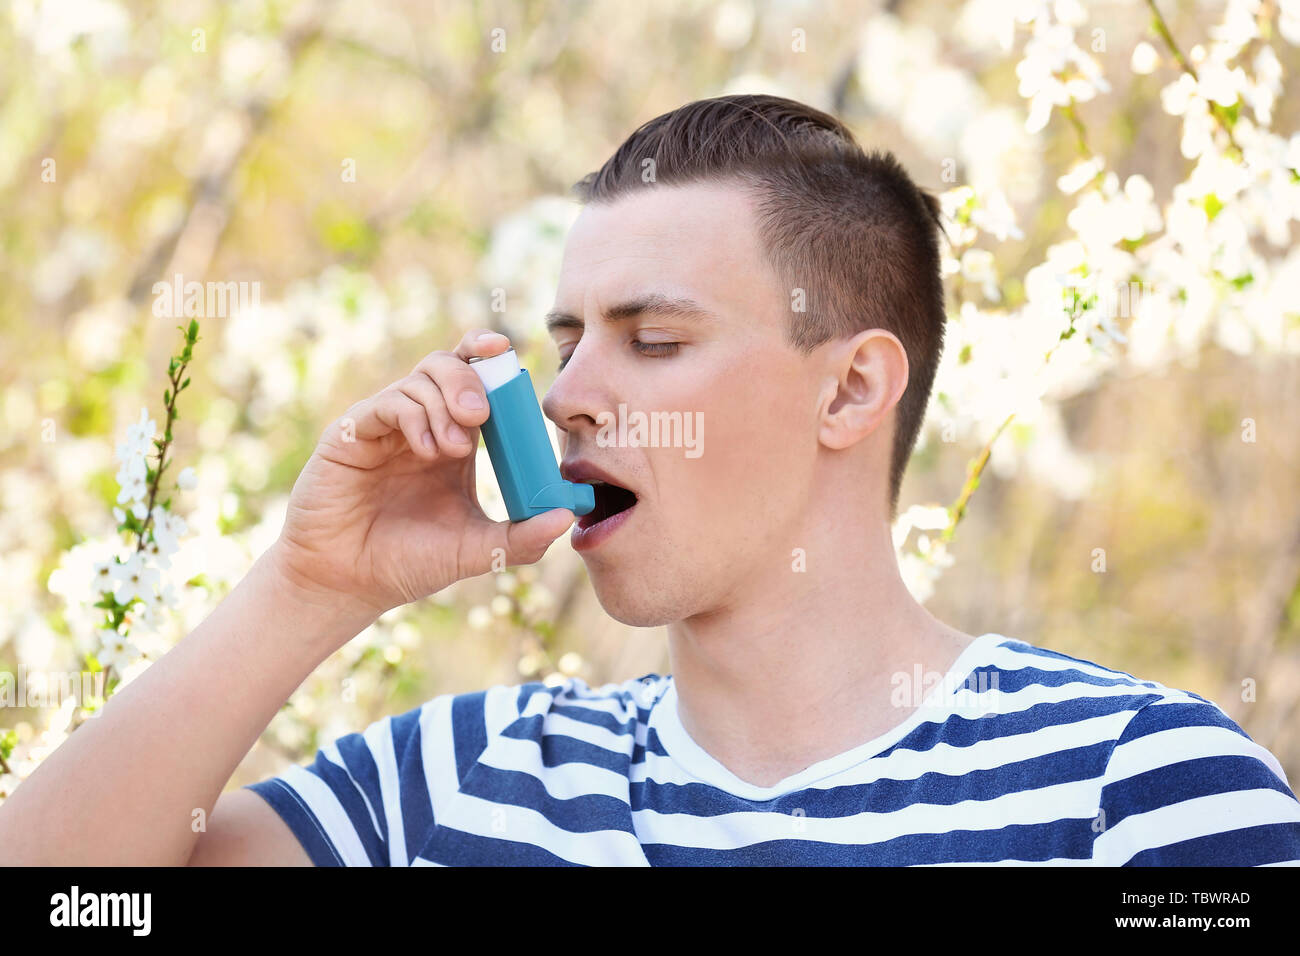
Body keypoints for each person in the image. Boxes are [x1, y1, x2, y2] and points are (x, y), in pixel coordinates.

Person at [2, 94, 1297, 866]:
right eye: (569, 342)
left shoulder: (1138, 786)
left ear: (850, 388)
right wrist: (307, 586)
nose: (565, 396)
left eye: (654, 339)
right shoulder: (466, 785)